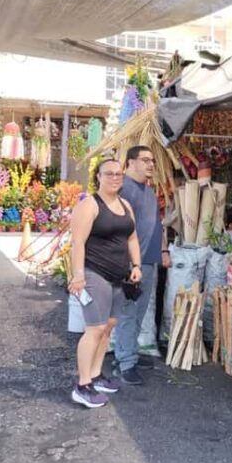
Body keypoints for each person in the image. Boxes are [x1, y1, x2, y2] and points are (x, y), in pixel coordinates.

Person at [68, 159, 143, 408]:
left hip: (119, 276)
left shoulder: (125, 205)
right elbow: (77, 242)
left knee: (108, 327)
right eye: (109, 173)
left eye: (119, 174)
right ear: (98, 177)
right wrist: (77, 275)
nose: (114, 178)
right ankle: (82, 385)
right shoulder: (89, 205)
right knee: (95, 329)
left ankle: (96, 374)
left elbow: (132, 238)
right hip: (94, 273)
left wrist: (136, 266)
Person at [113, 146, 171, 385]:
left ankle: (128, 354)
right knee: (128, 312)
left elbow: (157, 225)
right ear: (130, 163)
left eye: (152, 161)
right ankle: (125, 363)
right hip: (131, 264)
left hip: (149, 260)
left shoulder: (148, 191)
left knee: (138, 312)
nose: (150, 164)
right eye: (145, 160)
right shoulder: (123, 189)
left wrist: (164, 250)